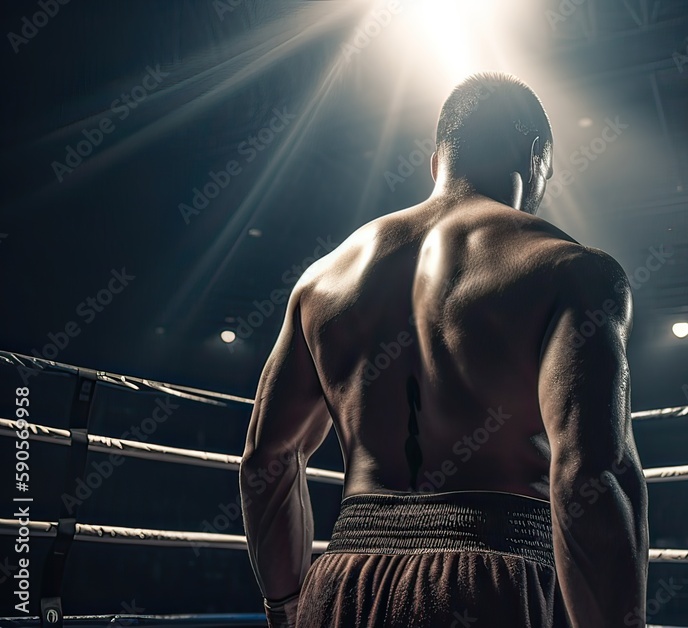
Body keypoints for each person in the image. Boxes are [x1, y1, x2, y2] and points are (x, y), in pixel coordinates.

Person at [240, 72, 648, 628]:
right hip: (492, 581)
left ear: (437, 162)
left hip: (341, 585)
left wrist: (286, 607)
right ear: (534, 157)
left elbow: (267, 458)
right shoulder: (569, 272)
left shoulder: (322, 281)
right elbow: (591, 475)